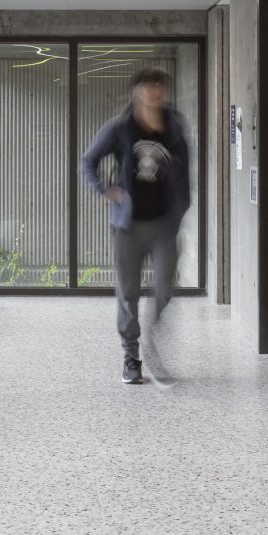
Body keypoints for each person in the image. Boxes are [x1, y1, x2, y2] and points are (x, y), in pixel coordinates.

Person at [79, 67, 192, 385]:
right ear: (137, 91)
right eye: (147, 86)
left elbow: (184, 172)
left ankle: (151, 339)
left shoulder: (175, 128)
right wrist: (105, 190)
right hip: (128, 227)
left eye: (159, 86)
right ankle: (132, 356)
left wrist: (181, 208)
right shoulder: (120, 127)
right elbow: (87, 161)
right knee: (128, 293)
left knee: (165, 288)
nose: (153, 92)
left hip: (164, 225)